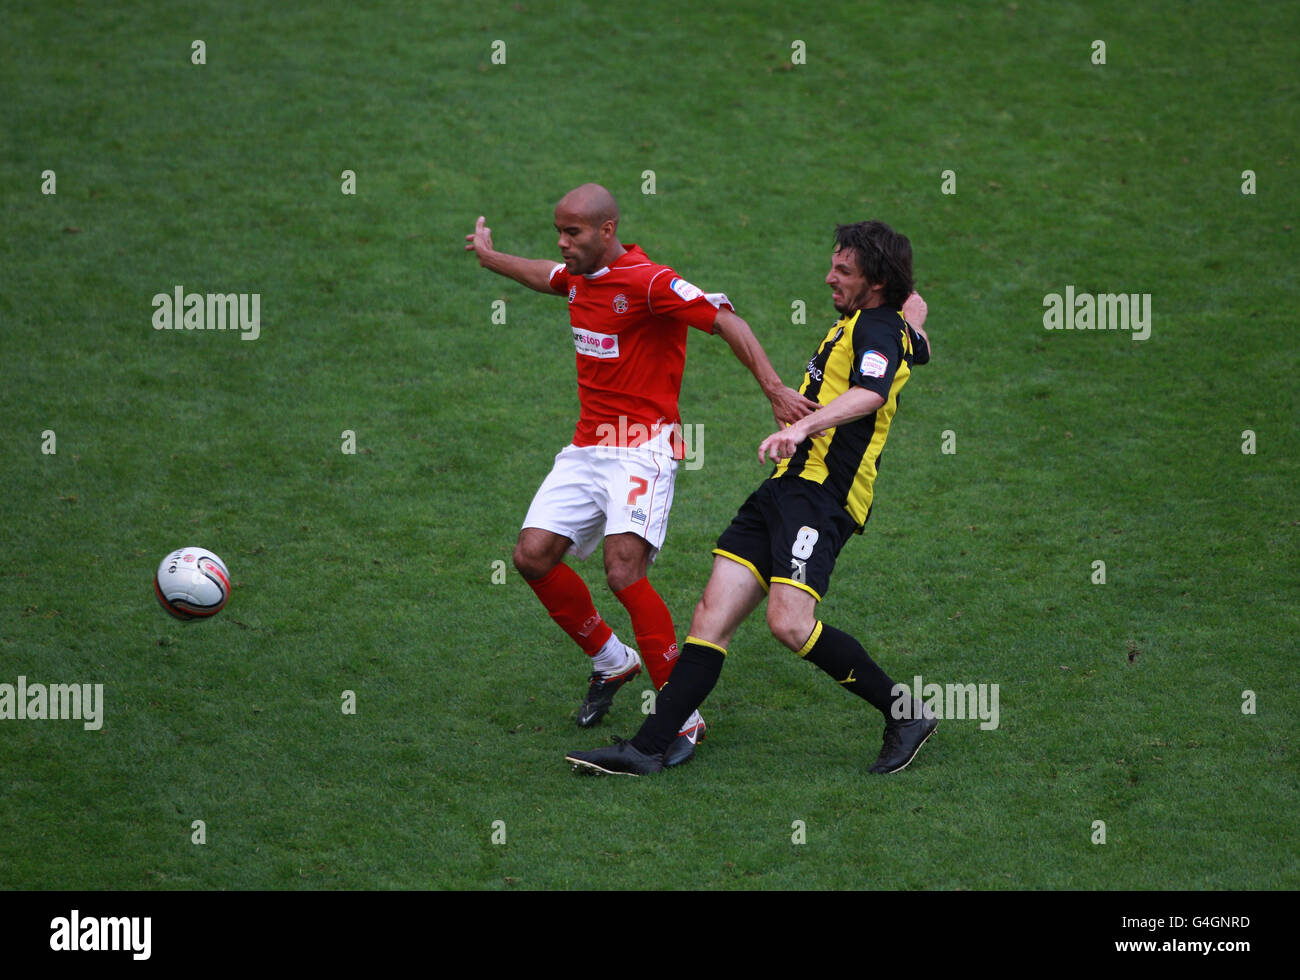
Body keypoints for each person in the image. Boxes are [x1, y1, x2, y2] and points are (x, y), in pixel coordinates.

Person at [565, 219, 937, 776]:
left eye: (843, 270)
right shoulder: (888, 321)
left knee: (789, 623)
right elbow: (915, 327)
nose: (829, 278)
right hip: (784, 490)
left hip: (823, 497)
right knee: (710, 617)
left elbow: (870, 392)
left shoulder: (878, 329)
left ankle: (906, 715)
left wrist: (800, 429)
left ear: (877, 282)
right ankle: (647, 749)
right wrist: (915, 316)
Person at [464, 183, 816, 765]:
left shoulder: (651, 283)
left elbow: (728, 321)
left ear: (607, 230)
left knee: (623, 571)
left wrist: (775, 390)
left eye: (573, 232)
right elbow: (546, 275)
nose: (563, 242)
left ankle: (683, 719)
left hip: (642, 449)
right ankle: (612, 660)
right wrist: (490, 256)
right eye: (559, 231)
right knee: (531, 557)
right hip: (587, 447)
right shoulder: (579, 277)